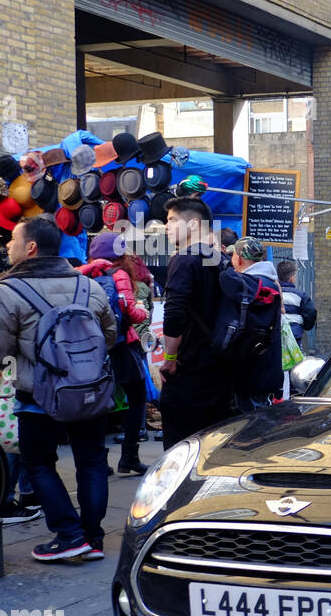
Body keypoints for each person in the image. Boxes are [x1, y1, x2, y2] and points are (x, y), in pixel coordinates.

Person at [0, 216, 116, 562]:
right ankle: (93, 538)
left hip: (38, 397)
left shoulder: (7, 291)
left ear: (31, 248)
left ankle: (69, 534)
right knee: (91, 462)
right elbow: (109, 337)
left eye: (13, 240)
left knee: (38, 462)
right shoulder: (89, 286)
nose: (8, 247)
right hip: (90, 392)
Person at [158, 197, 231, 448]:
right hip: (220, 368)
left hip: (190, 370)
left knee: (181, 452)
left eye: (172, 221)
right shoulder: (220, 259)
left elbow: (174, 311)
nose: (167, 227)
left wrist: (169, 358)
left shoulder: (185, 259)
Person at [80, 232, 150, 475]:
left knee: (98, 403)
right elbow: (128, 310)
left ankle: (99, 459)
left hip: (92, 348)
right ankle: (129, 456)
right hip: (121, 346)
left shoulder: (84, 273)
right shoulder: (119, 274)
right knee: (138, 397)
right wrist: (143, 312)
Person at [226, 237, 284, 414]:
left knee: (252, 427)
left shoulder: (252, 287)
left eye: (233, 255)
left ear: (240, 258)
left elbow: (250, 332)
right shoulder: (269, 282)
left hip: (253, 371)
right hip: (264, 369)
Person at [276, 258, 317, 345]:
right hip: (294, 334)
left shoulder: (274, 292)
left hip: (276, 333)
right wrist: (305, 325)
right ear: (292, 278)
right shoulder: (300, 295)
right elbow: (310, 312)